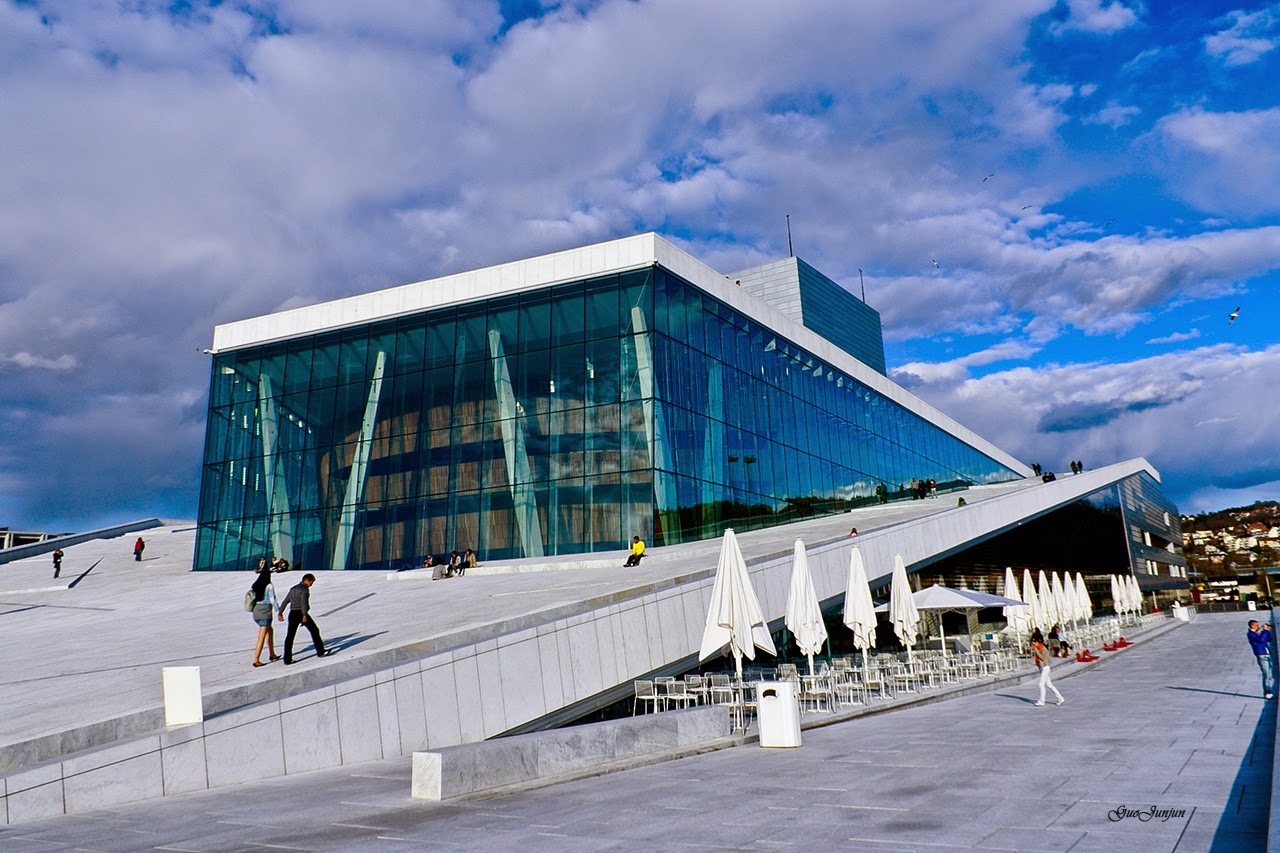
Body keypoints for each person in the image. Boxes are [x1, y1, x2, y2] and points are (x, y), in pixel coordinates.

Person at [279, 573, 330, 664]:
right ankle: (321, 651)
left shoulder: (293, 589)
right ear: (306, 580)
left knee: (290, 636)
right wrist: (304, 615)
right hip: (300, 613)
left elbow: (286, 601)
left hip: (292, 613)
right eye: (311, 582)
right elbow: (304, 603)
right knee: (314, 630)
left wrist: (280, 612)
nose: (311, 584)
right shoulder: (304, 590)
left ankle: (287, 659)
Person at [249, 565, 281, 667]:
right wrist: (279, 611)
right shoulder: (269, 586)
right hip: (265, 611)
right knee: (261, 637)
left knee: (269, 631)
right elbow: (272, 599)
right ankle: (256, 659)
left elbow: (252, 597)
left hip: (256, 611)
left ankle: (272, 654)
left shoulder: (255, 585)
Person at [1031, 628, 1064, 707]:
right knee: (1049, 684)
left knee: (1041, 684)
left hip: (1045, 667)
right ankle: (1060, 698)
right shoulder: (1039, 647)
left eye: (1033, 644)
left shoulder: (1042, 648)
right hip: (1043, 667)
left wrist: (1036, 650)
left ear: (1036, 642)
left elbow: (1042, 658)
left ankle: (1042, 701)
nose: (1032, 646)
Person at [1247, 620, 1275, 699]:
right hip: (1261, 656)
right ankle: (1267, 692)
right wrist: (1265, 631)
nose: (1258, 626)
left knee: (1270, 674)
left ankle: (1269, 691)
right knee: (1266, 674)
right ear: (1252, 626)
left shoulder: (1258, 633)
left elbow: (1269, 639)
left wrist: (1267, 631)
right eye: (1256, 625)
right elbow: (1261, 640)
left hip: (1268, 654)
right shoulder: (1251, 634)